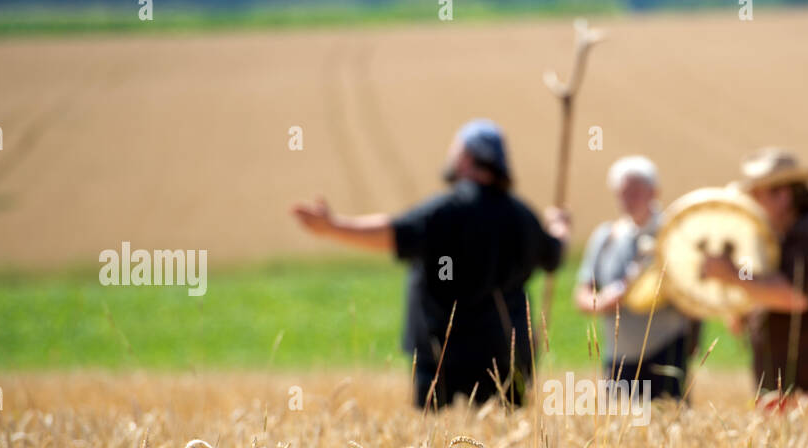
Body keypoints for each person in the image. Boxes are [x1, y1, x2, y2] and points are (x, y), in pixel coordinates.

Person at [292, 119, 570, 408]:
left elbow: (391, 234)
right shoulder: (523, 216)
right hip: (508, 357)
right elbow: (554, 255)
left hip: (444, 360)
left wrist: (334, 227)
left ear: (466, 159)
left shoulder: (447, 211)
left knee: (438, 446)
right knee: (508, 445)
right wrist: (560, 226)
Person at [701, 148, 808, 406]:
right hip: (794, 384)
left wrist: (731, 276)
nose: (752, 205)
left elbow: (794, 295)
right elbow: (767, 287)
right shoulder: (781, 235)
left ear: (783, 195)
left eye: (757, 195)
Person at [572, 156, 698, 400]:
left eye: (635, 192)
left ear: (654, 192)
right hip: (619, 357)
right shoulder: (605, 237)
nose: (628, 200)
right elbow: (582, 295)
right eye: (623, 193)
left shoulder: (674, 235)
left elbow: (695, 293)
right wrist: (605, 301)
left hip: (667, 352)